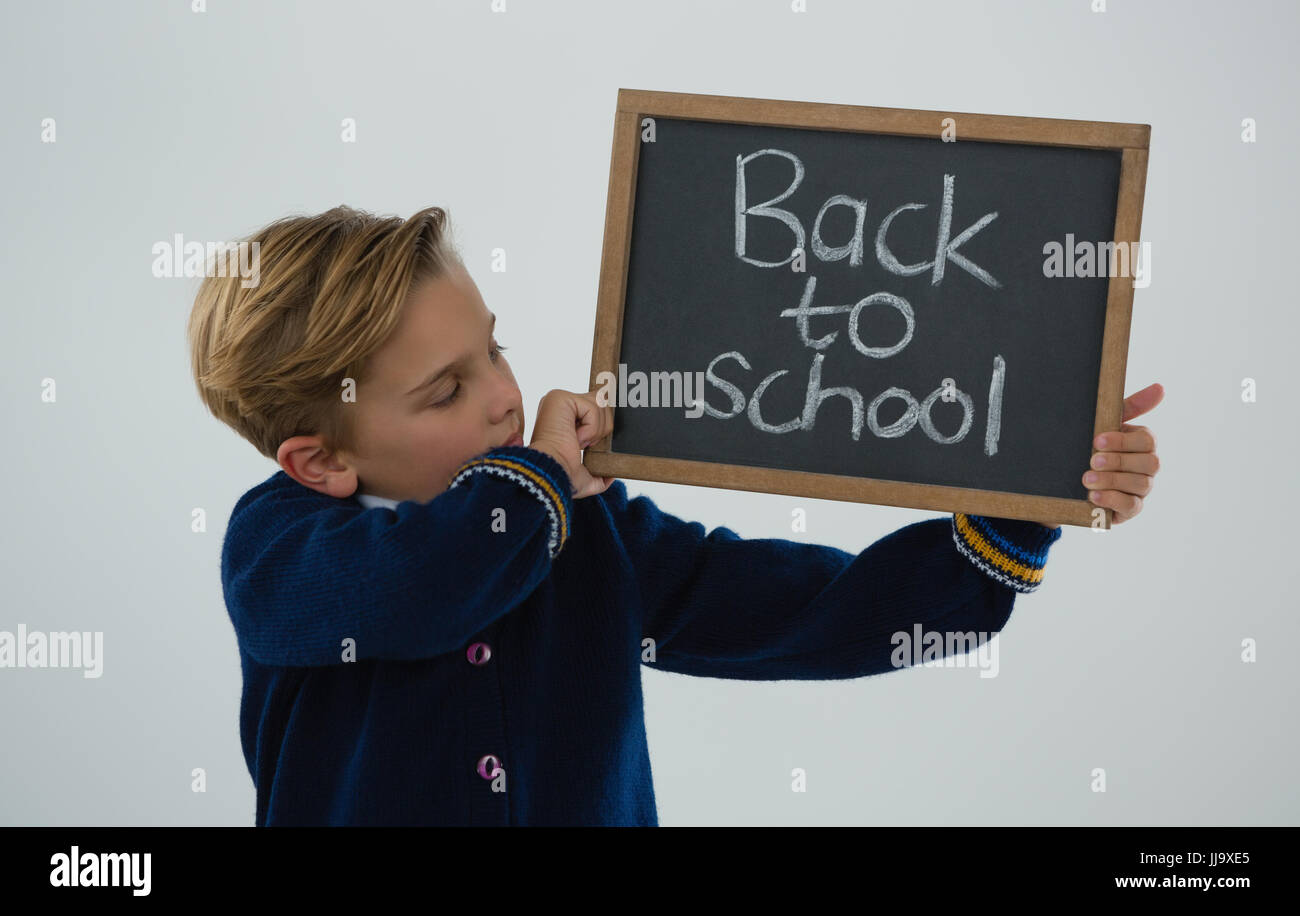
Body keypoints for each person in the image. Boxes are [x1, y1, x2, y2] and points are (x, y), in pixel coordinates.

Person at [187, 205, 1161, 825]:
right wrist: (539, 478)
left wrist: (1022, 501)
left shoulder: (580, 529)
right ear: (320, 461)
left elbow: (815, 613)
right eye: (445, 390)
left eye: (495, 350)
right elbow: (419, 589)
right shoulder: (279, 549)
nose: (501, 396)